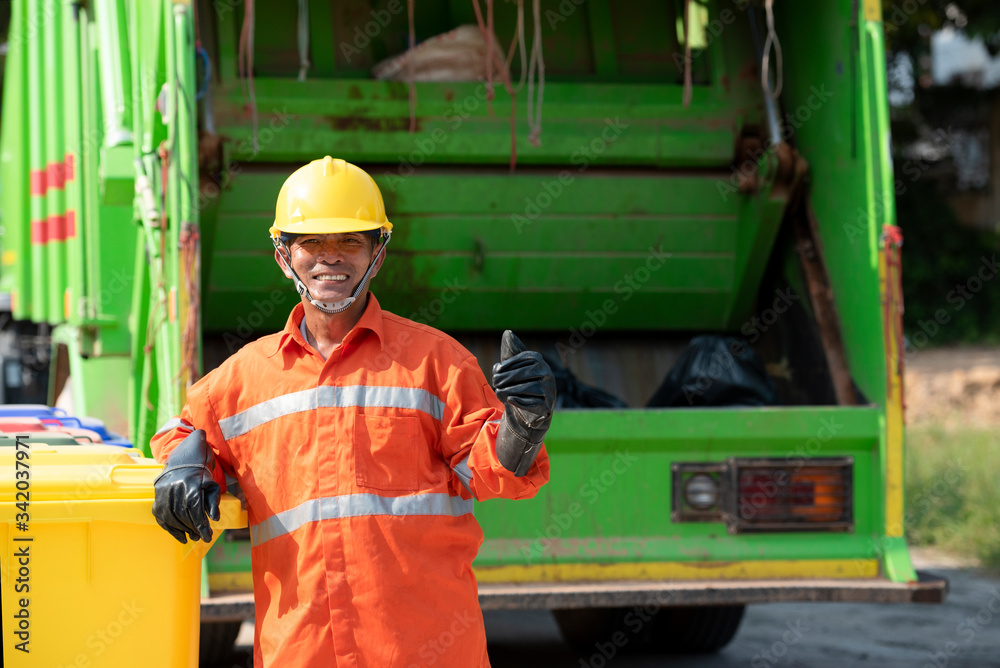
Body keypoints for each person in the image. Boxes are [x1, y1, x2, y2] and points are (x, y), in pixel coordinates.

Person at [150, 156, 555, 667]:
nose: (330, 259)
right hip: (301, 653)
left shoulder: (436, 363)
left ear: (377, 255)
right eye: (312, 243)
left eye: (349, 242)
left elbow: (498, 474)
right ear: (283, 256)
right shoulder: (246, 376)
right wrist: (186, 461)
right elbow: (183, 430)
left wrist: (525, 425)